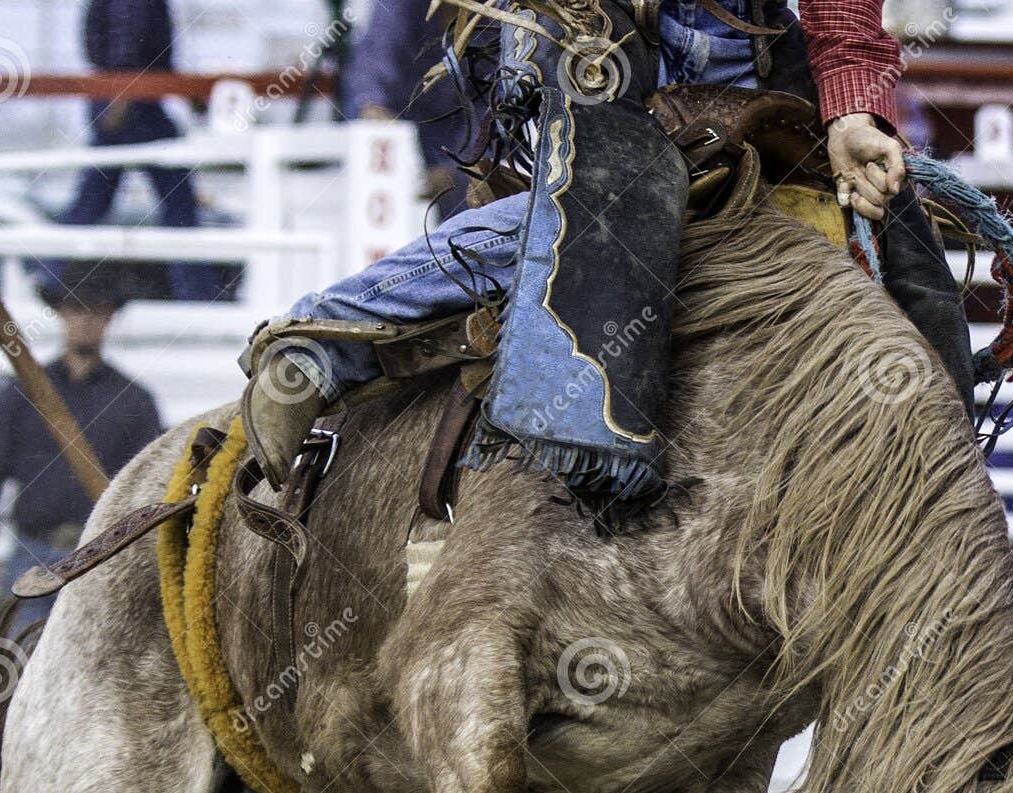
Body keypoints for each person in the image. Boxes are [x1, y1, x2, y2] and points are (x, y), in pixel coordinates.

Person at [240, 0, 970, 509]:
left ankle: (931, 498)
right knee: (599, 215)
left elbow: (838, 13)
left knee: (904, 258)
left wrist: (851, 113)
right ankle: (319, 343)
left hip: (754, 68)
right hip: (607, 50)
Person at [0, 263, 162, 607]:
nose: (84, 320)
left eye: (96, 310)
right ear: (60, 314)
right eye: (76, 308)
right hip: (33, 551)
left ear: (109, 318)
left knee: (101, 658)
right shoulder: (24, 391)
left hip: (102, 557)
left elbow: (150, 487)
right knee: (19, 656)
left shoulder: (135, 400)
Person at [58, 0, 218, 302]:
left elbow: (137, 47)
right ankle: (198, 296)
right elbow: (132, 46)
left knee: (95, 199)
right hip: (131, 99)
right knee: (177, 205)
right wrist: (124, 97)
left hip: (125, 96)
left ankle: (48, 271)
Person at [346, 0, 472, 217]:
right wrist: (371, 104)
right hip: (399, 117)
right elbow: (376, 51)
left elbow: (493, 103)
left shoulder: (496, 14)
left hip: (459, 129)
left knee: (468, 196)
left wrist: (461, 169)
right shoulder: (402, 5)